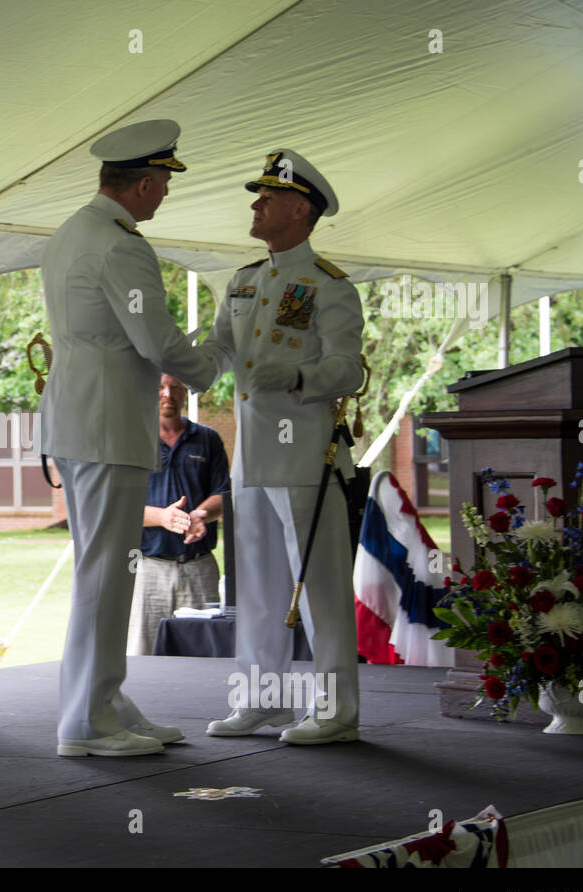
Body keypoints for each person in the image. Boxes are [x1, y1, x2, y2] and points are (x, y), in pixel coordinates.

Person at [37, 119, 222, 757]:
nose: (165, 193)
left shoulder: (71, 232)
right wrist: (212, 361)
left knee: (105, 569)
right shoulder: (121, 245)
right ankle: (86, 722)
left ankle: (104, 699)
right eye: (164, 181)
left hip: (83, 420)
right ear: (143, 183)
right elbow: (156, 340)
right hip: (105, 424)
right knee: (106, 572)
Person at [196, 149, 364, 745]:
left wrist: (297, 377)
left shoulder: (327, 284)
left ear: (299, 209)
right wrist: (181, 363)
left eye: (267, 198)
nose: (256, 205)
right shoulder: (243, 281)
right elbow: (216, 349)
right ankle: (262, 698)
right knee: (261, 586)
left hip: (305, 454)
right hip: (253, 457)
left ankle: (337, 709)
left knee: (317, 585)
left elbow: (349, 369)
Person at [127, 374, 229, 655]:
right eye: (159, 386)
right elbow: (116, 506)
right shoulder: (130, 439)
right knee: (142, 658)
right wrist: (162, 518)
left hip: (199, 568)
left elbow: (225, 494)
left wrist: (200, 514)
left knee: (205, 659)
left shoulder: (207, 439)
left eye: (175, 386)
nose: (167, 393)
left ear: (186, 391)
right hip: (147, 570)